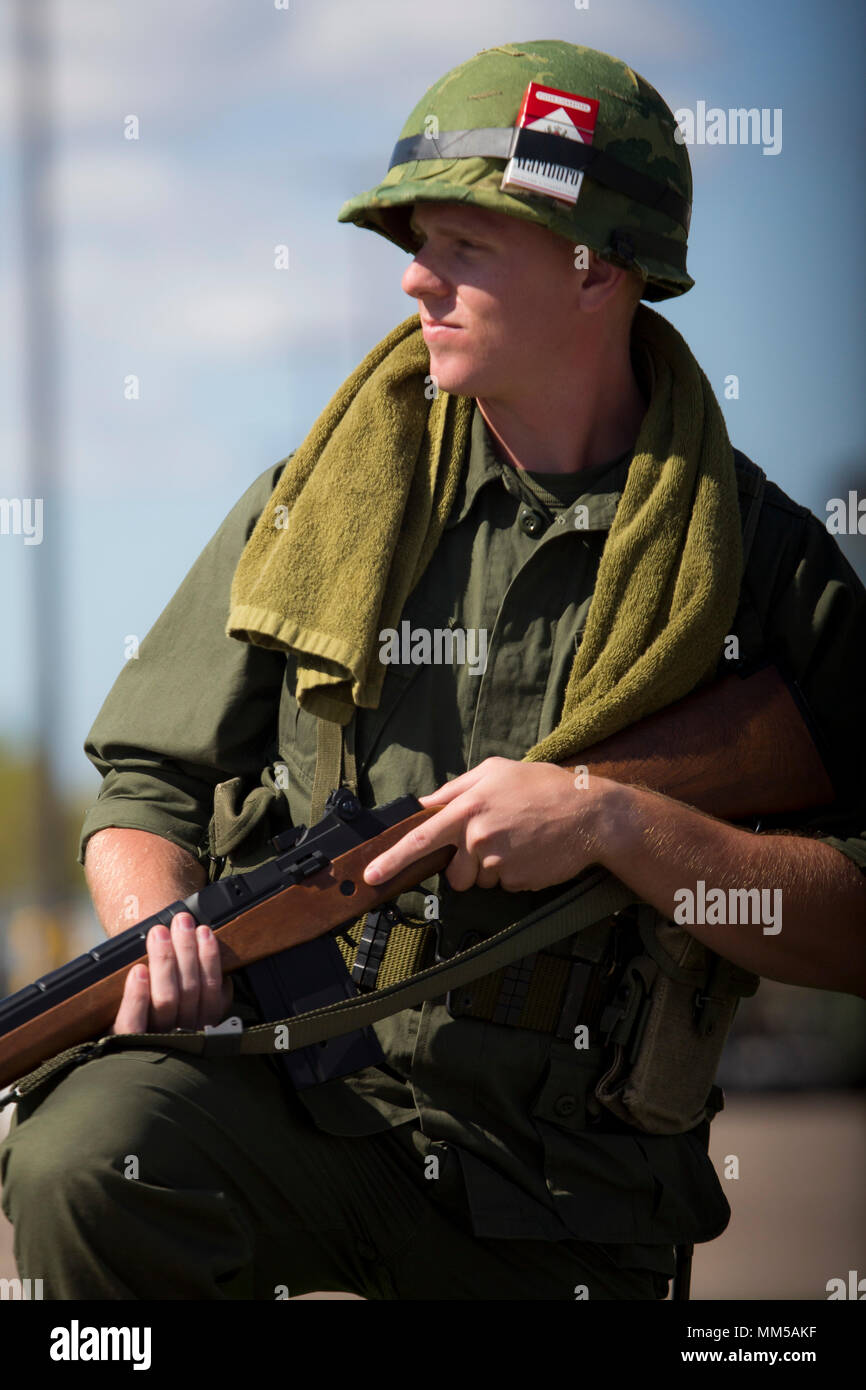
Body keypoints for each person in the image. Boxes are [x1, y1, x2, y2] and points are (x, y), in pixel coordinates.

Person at [2, 39, 864, 1303]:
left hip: (575, 1179)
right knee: (90, 1154)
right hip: (309, 1098)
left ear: (601, 273)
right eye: (415, 243)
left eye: (466, 248)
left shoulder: (755, 563)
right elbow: (145, 781)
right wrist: (158, 923)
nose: (413, 280)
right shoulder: (319, 509)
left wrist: (612, 820)